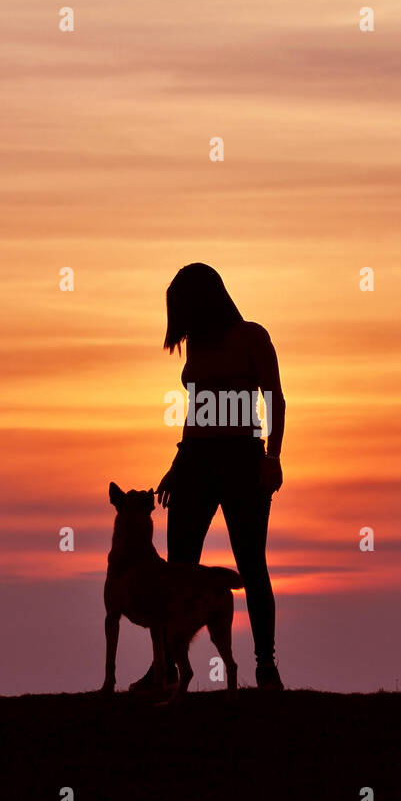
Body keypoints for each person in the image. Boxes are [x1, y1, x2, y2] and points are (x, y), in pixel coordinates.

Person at [130, 263, 286, 691]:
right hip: (197, 464)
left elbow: (275, 400)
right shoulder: (196, 344)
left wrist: (273, 456)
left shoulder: (252, 337)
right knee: (177, 570)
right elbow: (196, 415)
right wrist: (178, 465)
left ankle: (266, 666)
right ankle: (164, 668)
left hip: (242, 462)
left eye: (182, 304)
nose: (178, 315)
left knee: (252, 567)